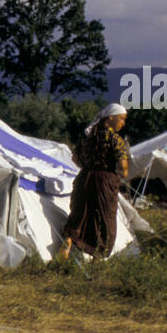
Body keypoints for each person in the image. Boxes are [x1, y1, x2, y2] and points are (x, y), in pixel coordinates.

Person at [59, 103, 129, 260]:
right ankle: (98, 256)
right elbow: (123, 165)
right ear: (110, 118)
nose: (123, 123)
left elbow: (75, 157)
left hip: (84, 178)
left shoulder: (88, 137)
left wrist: (88, 166)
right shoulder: (115, 139)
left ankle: (68, 240)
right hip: (105, 181)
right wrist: (123, 172)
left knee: (79, 213)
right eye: (122, 119)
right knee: (104, 219)